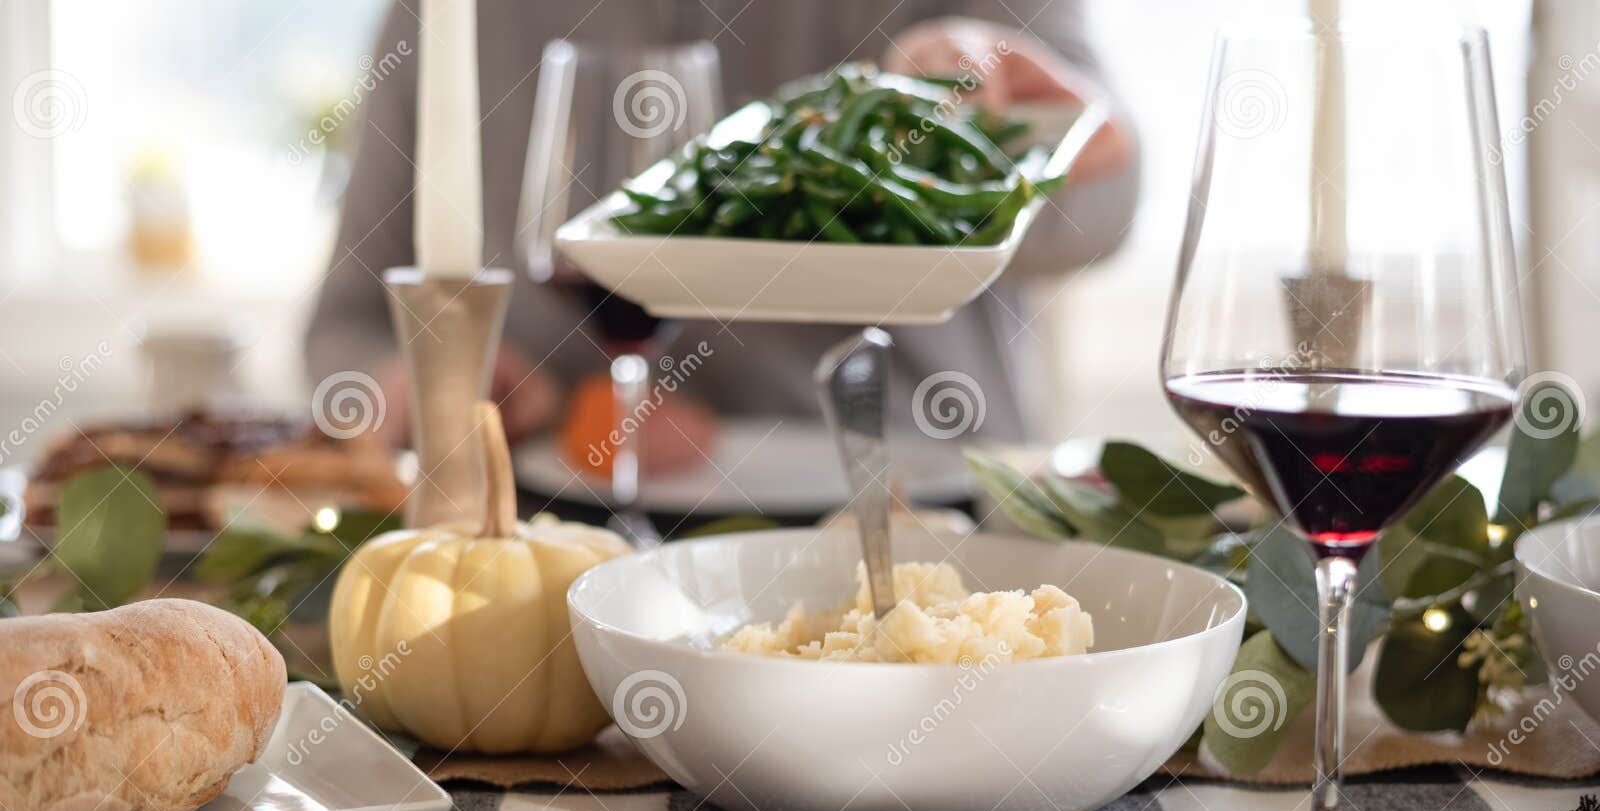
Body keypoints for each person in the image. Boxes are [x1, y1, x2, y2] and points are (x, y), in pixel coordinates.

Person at [305, 0, 1137, 453]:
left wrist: (990, 94)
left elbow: (1109, 204)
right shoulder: (444, 16)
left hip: (919, 507)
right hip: (560, 531)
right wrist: (415, 386)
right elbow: (345, 322)